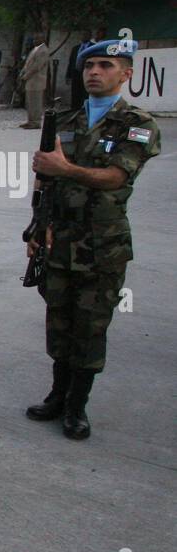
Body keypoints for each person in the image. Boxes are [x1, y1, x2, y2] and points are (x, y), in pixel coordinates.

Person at [25, 39, 161, 439]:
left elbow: (116, 177)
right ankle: (56, 394)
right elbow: (45, 178)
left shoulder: (136, 124)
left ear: (126, 73)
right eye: (89, 66)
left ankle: (76, 406)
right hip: (59, 239)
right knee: (59, 320)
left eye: (105, 65)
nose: (94, 73)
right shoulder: (65, 120)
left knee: (90, 325)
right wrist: (36, 226)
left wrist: (64, 168)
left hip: (103, 245)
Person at [18, 36, 51, 129]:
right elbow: (28, 63)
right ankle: (30, 120)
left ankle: (36, 122)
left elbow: (37, 66)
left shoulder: (43, 50)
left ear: (43, 39)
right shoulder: (35, 49)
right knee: (30, 102)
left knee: (36, 102)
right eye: (34, 39)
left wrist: (26, 76)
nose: (34, 41)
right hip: (30, 81)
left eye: (37, 39)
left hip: (37, 80)